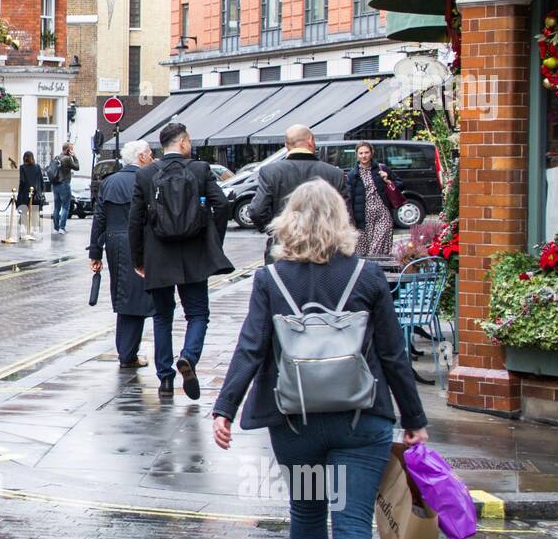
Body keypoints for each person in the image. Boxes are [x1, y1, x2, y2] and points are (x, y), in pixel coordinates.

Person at [211, 180, 429, 539]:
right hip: (362, 423)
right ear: (342, 222)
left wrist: (225, 408)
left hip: (296, 423)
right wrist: (414, 419)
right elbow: (394, 357)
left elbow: (251, 349)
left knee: (307, 513)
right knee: (352, 525)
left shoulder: (271, 279)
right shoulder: (368, 276)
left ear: (289, 222)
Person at [128, 121, 234, 400]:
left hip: (158, 255)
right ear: (183, 143)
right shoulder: (199, 170)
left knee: (162, 316)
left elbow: (135, 220)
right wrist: (213, 241)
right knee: (197, 313)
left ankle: (165, 379)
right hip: (194, 255)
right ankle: (188, 357)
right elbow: (222, 205)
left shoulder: (146, 174)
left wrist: (138, 258)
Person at [89, 140, 154, 368]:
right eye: (150, 154)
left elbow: (99, 218)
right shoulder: (147, 180)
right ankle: (128, 354)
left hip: (114, 244)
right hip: (141, 242)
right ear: (142, 157)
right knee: (139, 298)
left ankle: (126, 351)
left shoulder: (109, 182)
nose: (152, 158)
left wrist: (95, 253)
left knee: (124, 296)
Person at [248, 125, 347, 263]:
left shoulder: (270, 172)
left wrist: (277, 231)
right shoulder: (335, 174)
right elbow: (345, 216)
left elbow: (257, 211)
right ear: (311, 141)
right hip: (325, 252)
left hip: (283, 249)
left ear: (286, 145)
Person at [346, 141, 402, 257]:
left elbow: (400, 184)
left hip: (382, 214)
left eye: (366, 152)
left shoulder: (382, 168)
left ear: (372, 153)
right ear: (357, 155)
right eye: (361, 153)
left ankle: (378, 271)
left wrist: (387, 181)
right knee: (361, 252)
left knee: (377, 251)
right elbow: (348, 197)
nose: (364, 155)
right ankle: (365, 274)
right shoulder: (353, 174)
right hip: (362, 218)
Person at [49, 142, 79, 234]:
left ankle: (55, 228)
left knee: (56, 207)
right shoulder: (67, 159)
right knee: (65, 207)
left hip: (55, 185)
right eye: (71, 149)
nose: (72, 151)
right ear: (68, 150)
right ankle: (62, 228)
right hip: (64, 184)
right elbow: (77, 167)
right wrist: (74, 156)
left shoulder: (56, 157)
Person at [15, 151, 45, 239]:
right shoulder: (37, 167)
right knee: (35, 211)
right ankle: (35, 229)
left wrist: (19, 193)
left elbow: (22, 181)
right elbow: (41, 180)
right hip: (35, 192)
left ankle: (23, 228)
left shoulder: (22, 167)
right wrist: (41, 190)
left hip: (25, 191)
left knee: (24, 210)